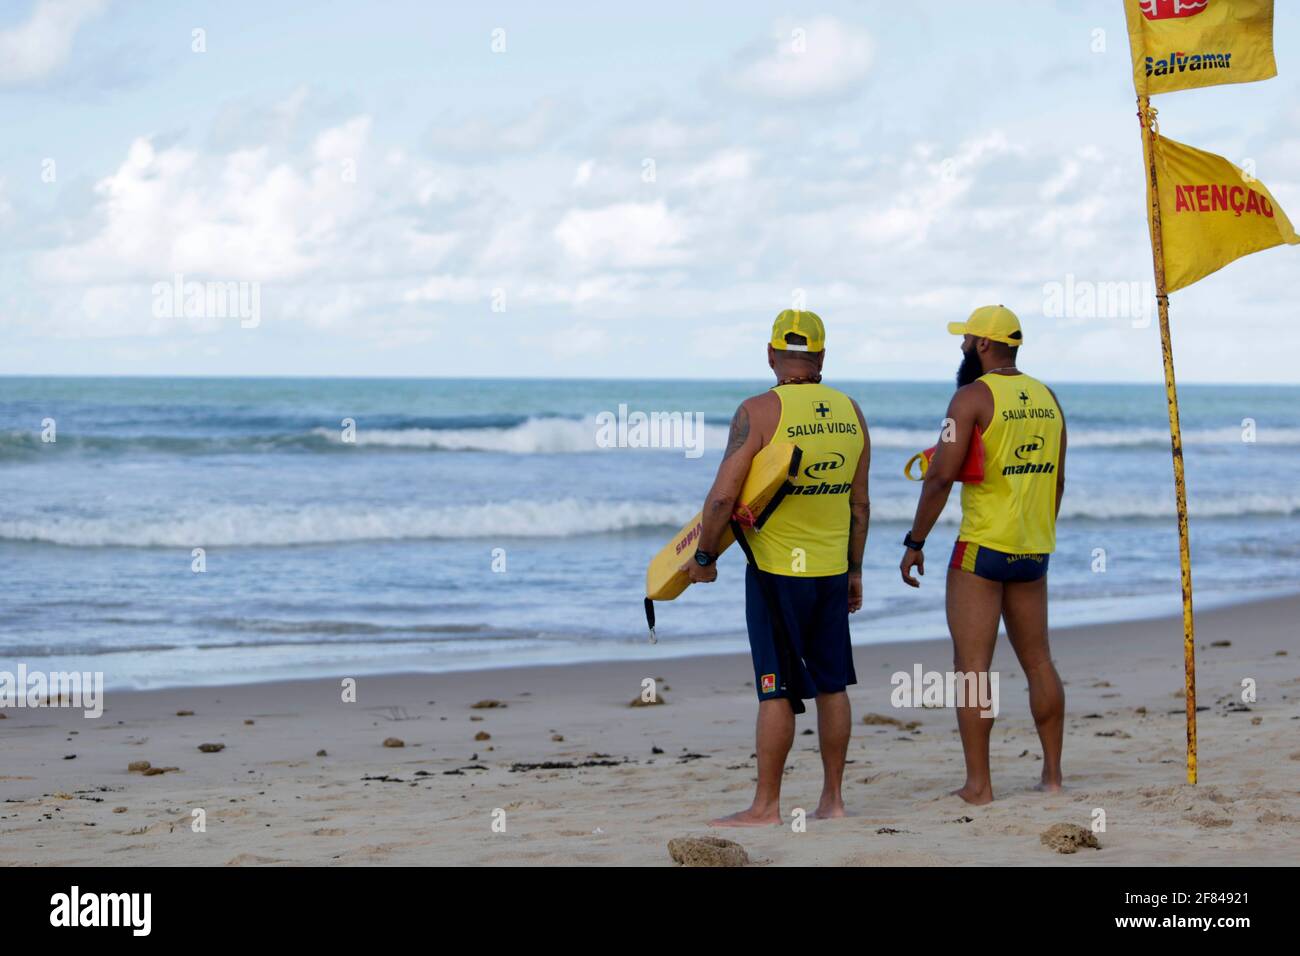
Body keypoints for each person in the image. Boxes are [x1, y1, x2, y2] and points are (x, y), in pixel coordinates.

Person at [683, 309, 870, 825]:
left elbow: (723, 499)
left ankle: (766, 806)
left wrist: (703, 557)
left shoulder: (759, 411)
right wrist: (855, 570)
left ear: (770, 355)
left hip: (774, 574)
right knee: (833, 685)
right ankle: (833, 801)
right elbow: (860, 504)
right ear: (822, 358)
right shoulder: (851, 412)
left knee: (776, 688)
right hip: (831, 571)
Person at [899, 305, 1067, 805]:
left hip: (981, 549)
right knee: (1039, 662)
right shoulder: (1048, 397)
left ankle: (979, 785)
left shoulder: (969, 398)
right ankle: (1053, 777)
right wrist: (1036, 531)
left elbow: (941, 476)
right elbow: (1057, 479)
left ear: (986, 345)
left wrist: (915, 541)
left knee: (973, 669)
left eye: (967, 340)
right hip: (1032, 550)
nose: (961, 347)